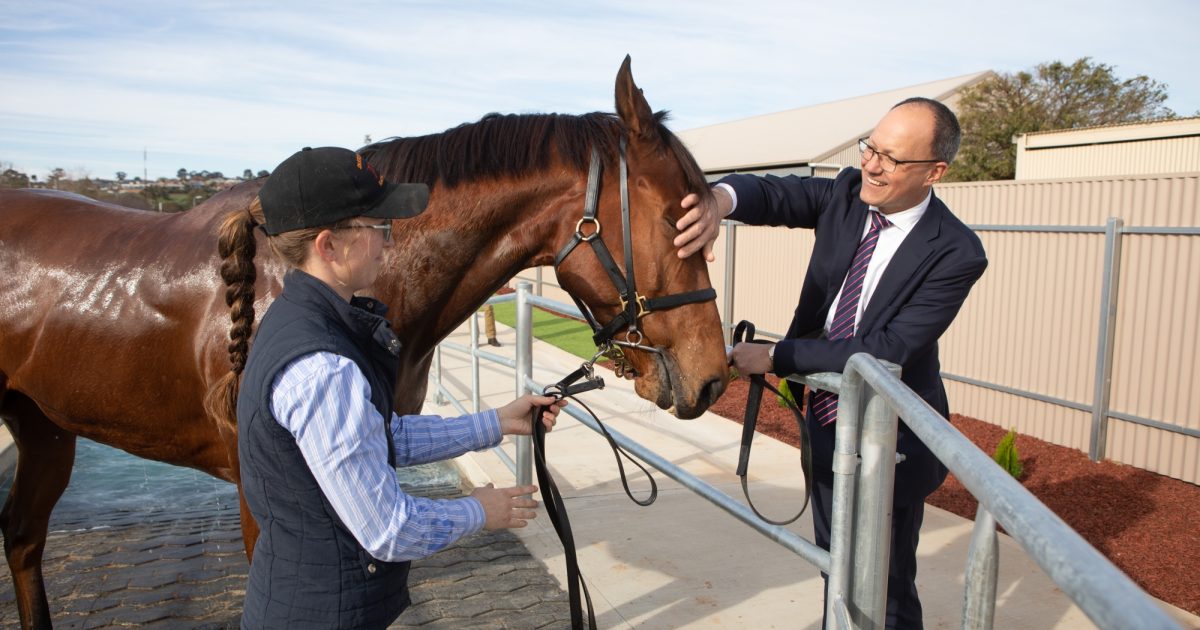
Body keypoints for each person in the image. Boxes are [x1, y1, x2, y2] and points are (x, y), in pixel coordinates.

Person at [207, 146, 565, 629]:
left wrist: (496, 423)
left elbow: (375, 435)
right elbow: (386, 529)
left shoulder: (303, 320)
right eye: (379, 228)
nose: (387, 243)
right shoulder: (323, 366)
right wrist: (480, 511)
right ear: (329, 246)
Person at [674, 98, 987, 629]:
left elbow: (886, 351)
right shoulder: (845, 194)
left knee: (884, 588)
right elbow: (771, 193)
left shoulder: (956, 251)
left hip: (892, 447)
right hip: (826, 430)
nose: (872, 164)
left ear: (935, 172)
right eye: (871, 147)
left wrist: (774, 357)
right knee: (836, 570)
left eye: (892, 158)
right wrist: (717, 200)